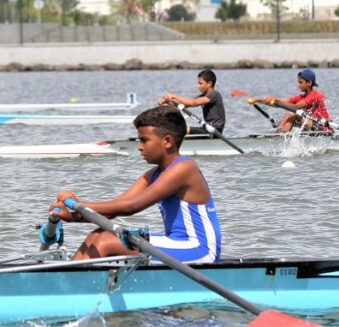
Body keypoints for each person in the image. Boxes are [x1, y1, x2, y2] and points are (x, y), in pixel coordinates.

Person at [47, 105, 221, 263]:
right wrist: (72, 217)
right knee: (100, 234)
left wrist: (78, 204)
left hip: (199, 250)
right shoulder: (154, 174)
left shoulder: (185, 168)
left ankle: (70, 288)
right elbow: (113, 210)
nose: (139, 147)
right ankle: (71, 281)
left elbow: (130, 207)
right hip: (177, 243)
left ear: (167, 141)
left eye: (144, 140)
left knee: (104, 239)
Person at [248, 68, 331, 133]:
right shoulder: (301, 97)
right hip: (312, 125)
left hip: (323, 126)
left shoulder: (314, 95)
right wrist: (259, 100)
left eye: (300, 82)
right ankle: (282, 135)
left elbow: (295, 107)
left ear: (309, 83)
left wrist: (276, 100)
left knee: (290, 116)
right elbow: (280, 104)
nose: (298, 85)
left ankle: (279, 137)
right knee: (287, 117)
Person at [157, 68, 225, 135]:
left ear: (209, 83)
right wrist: (166, 102)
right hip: (207, 129)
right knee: (179, 129)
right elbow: (183, 105)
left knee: (182, 129)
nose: (198, 86)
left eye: (200, 83)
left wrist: (174, 96)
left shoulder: (214, 95)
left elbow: (193, 102)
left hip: (214, 130)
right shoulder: (202, 97)